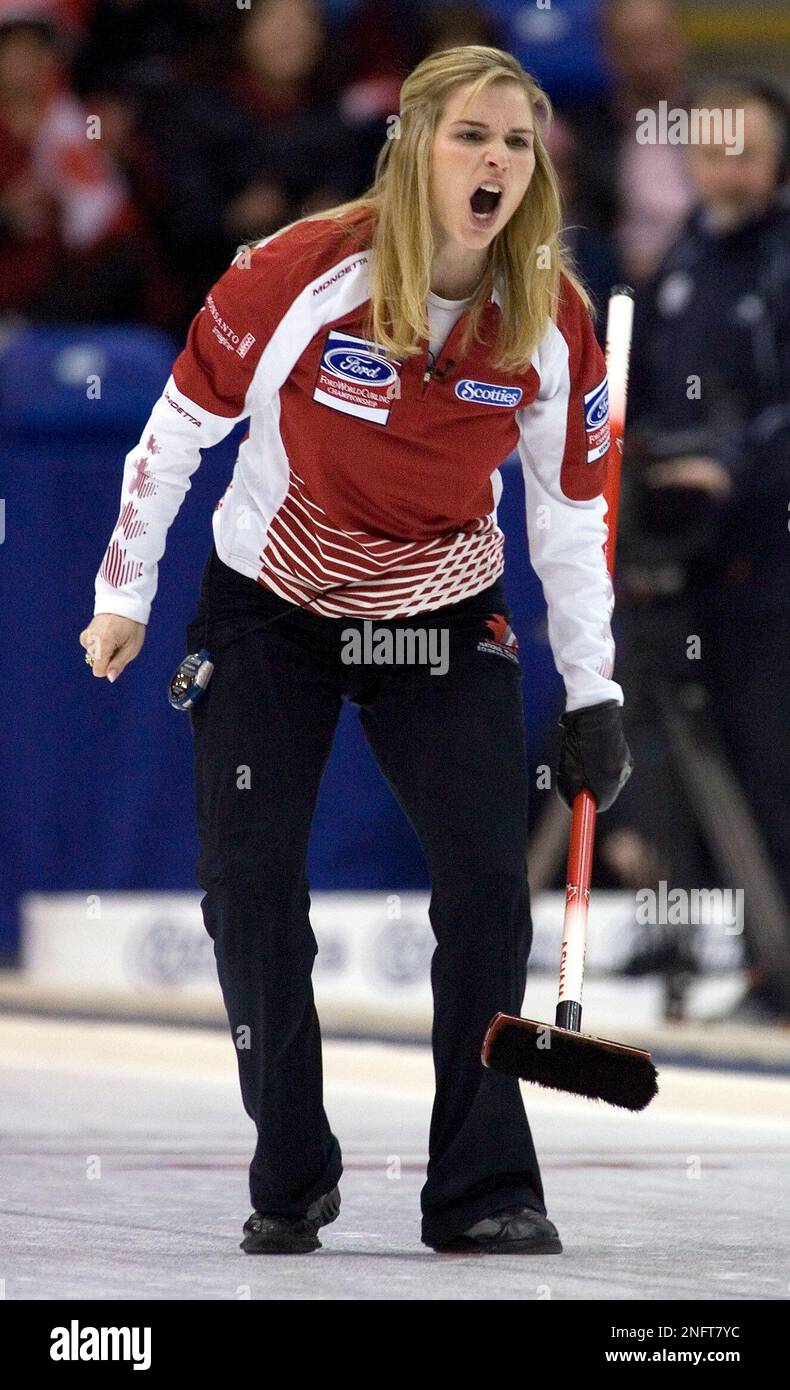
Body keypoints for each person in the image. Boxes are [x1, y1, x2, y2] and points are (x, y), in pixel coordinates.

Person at [79, 45, 632, 1255]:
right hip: (272, 610)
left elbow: (569, 515)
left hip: (440, 613)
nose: (495, 161)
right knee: (249, 887)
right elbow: (173, 435)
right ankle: (292, 1162)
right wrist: (125, 589)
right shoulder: (299, 273)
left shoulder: (552, 316)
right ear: (413, 149)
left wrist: (594, 691)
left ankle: (482, 1184)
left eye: (517, 141)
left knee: (489, 884)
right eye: (469, 136)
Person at [602, 78, 790, 1020]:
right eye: (715, 148)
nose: (733, 166)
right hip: (687, 553)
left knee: (768, 753)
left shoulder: (778, 258)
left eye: (752, 148)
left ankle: (779, 965)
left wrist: (733, 465)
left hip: (770, 551)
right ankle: (691, 933)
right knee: (670, 744)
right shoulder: (676, 260)